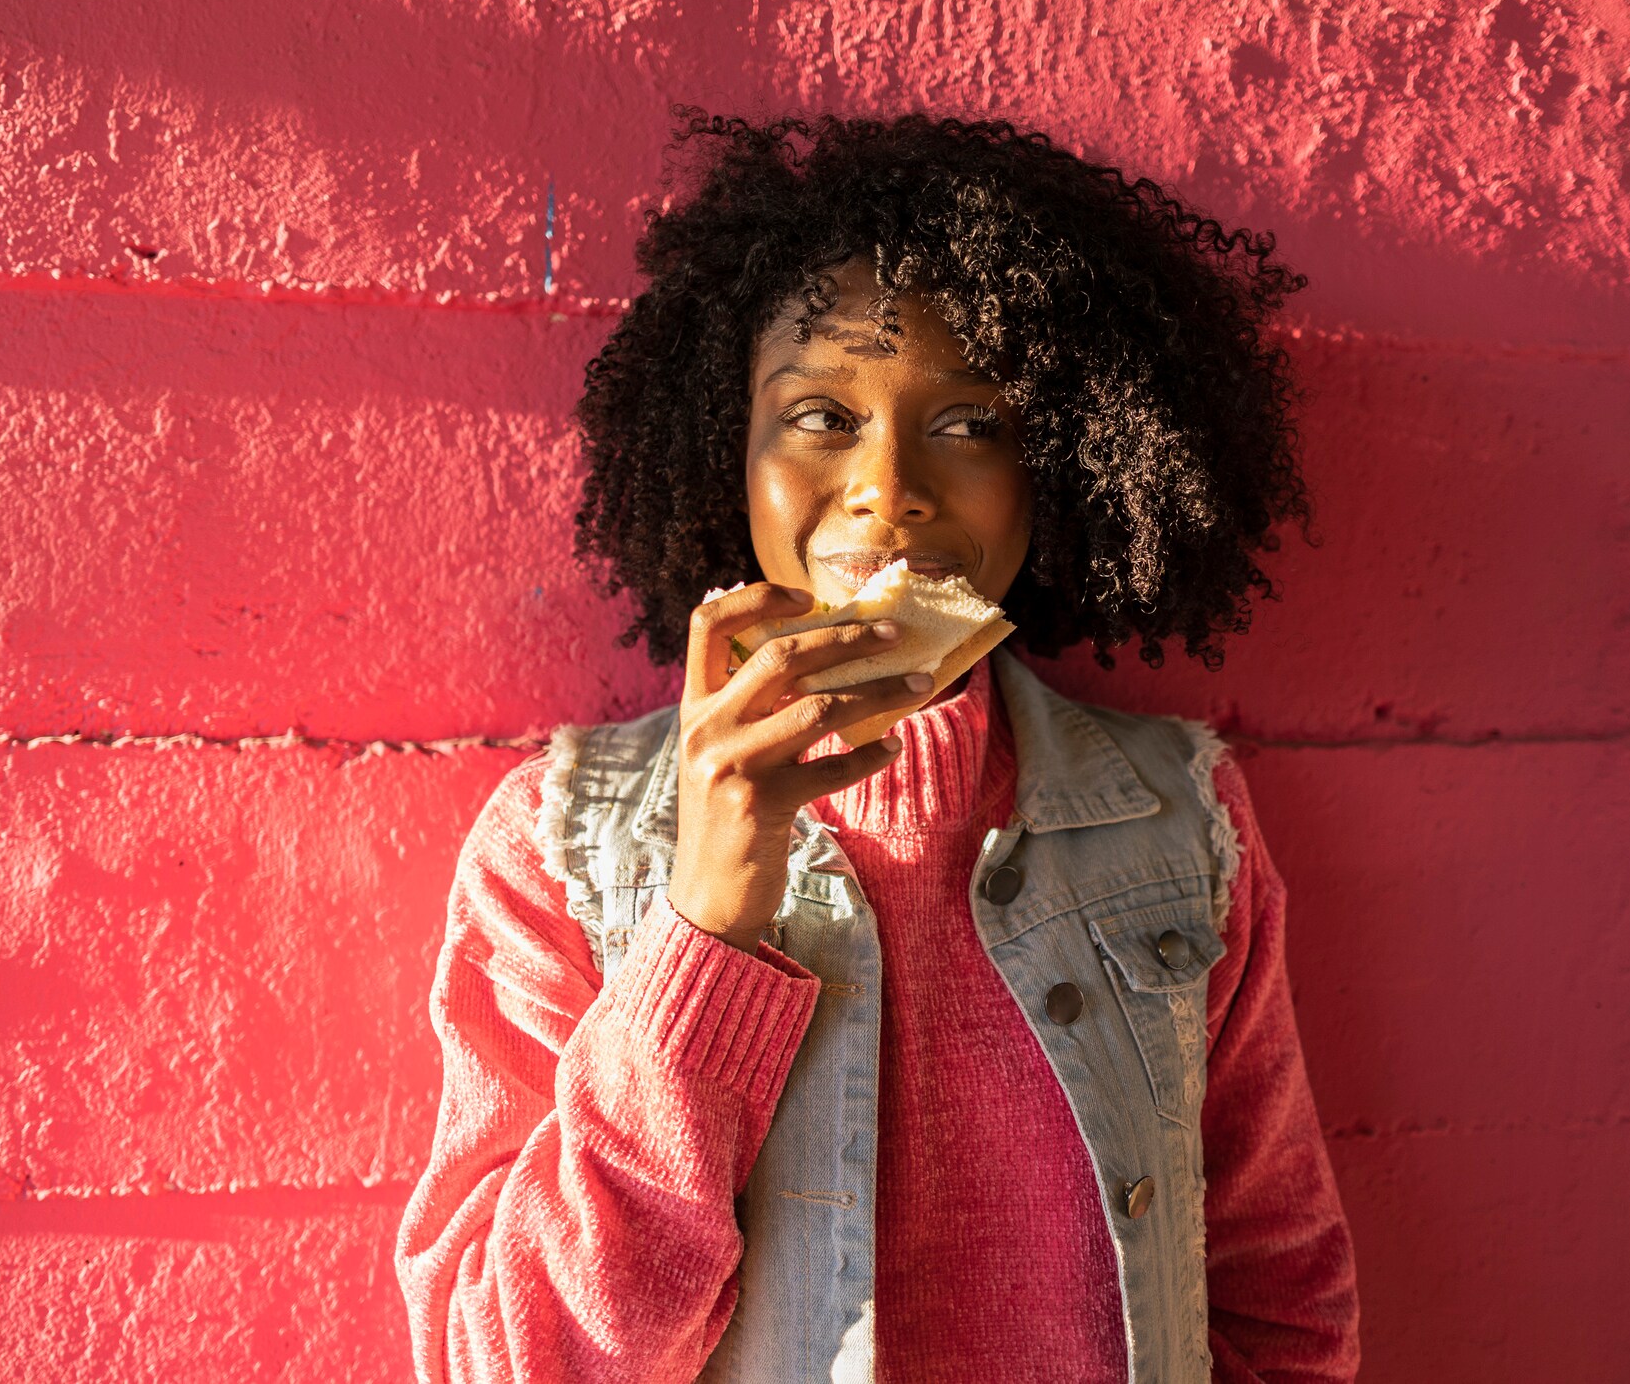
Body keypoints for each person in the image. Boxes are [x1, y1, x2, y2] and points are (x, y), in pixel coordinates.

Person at [395, 107, 1359, 1383]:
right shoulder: (559, 845)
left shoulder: (1181, 824)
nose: (888, 485)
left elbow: (1281, 1305)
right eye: (819, 417)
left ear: (1061, 464)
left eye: (970, 425)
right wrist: (707, 923)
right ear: (727, 449)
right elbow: (505, 1359)